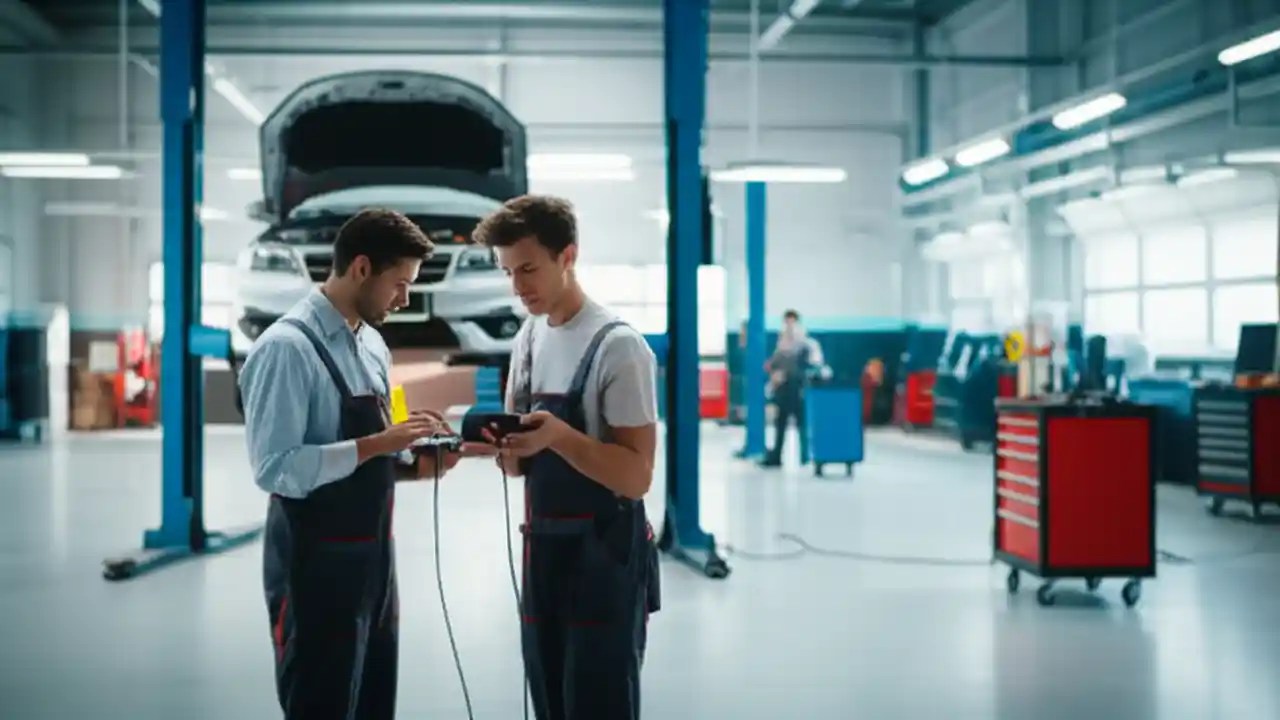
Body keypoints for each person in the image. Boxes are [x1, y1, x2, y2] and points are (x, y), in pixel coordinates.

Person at [239, 208, 475, 720]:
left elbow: (376, 448)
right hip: (312, 569)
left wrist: (418, 462)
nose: (405, 298)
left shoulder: (372, 343)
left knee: (372, 703)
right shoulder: (286, 349)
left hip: (373, 565)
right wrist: (377, 444)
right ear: (362, 268)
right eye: (401, 284)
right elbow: (275, 468)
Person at [471, 194, 661, 720]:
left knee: (598, 702)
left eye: (528, 268)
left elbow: (636, 475)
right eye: (508, 272)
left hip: (605, 557)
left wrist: (557, 437)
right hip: (544, 553)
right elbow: (519, 464)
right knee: (550, 698)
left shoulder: (619, 348)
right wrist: (503, 451)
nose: (518, 286)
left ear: (568, 256)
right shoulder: (528, 339)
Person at [760, 309, 825, 468]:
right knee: (780, 424)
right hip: (783, 390)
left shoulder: (807, 345)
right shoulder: (781, 345)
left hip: (798, 388)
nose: (789, 326)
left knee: (801, 424)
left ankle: (805, 455)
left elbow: (815, 365)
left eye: (791, 322)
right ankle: (777, 456)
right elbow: (773, 365)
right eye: (786, 322)